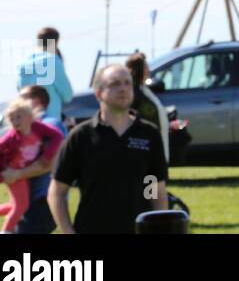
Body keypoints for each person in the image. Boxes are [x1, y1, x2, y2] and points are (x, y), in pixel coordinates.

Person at [49, 64, 168, 234]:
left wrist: (157, 226)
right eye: (115, 84)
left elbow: (155, 189)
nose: (123, 88)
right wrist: (68, 232)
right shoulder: (81, 136)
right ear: (98, 93)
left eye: (127, 83)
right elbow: (57, 193)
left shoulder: (149, 134)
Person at [0, 98, 63, 233]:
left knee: (19, 204)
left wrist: (47, 155)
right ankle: (5, 231)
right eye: (12, 119)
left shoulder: (38, 128)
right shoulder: (12, 136)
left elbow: (57, 136)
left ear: (30, 116)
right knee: (22, 205)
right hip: (12, 172)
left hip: (21, 173)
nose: (16, 122)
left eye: (19, 117)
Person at [16, 27, 73, 124]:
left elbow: (20, 90)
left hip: (28, 123)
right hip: (49, 122)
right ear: (55, 42)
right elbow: (67, 95)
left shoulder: (24, 63)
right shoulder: (53, 61)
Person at [126, 52, 170, 161]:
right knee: (150, 178)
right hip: (144, 151)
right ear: (139, 69)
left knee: (155, 176)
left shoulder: (143, 89)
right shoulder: (133, 93)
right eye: (146, 66)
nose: (148, 70)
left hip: (155, 146)